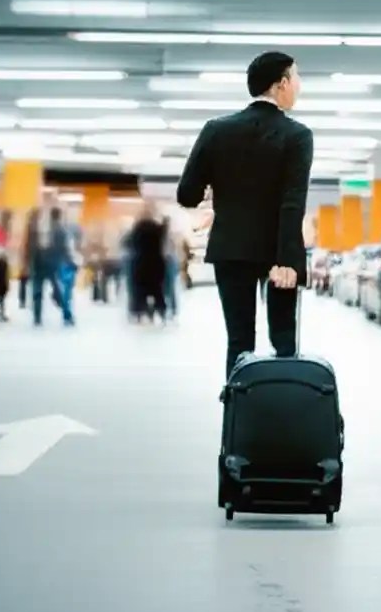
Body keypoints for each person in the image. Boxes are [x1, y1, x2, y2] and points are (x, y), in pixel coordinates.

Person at [177, 50, 313, 374]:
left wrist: (218, 193)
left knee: (238, 341)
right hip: (278, 253)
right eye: (296, 79)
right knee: (284, 342)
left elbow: (186, 194)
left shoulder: (216, 129)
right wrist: (285, 261)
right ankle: (282, 413)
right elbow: (293, 203)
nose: (299, 86)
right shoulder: (297, 136)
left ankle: (236, 413)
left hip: (231, 247)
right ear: (282, 84)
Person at [25, 206, 76, 327]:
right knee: (58, 290)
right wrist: (70, 262)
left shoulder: (36, 229)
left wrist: (28, 262)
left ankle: (37, 318)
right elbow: (64, 249)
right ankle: (66, 315)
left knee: (38, 291)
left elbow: (29, 248)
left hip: (38, 263)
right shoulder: (59, 230)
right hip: (52, 264)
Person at [129, 203, 167, 323]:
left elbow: (131, 244)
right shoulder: (157, 228)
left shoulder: (137, 228)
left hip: (140, 263)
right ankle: (161, 313)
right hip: (156, 263)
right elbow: (163, 238)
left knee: (139, 291)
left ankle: (140, 313)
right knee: (157, 290)